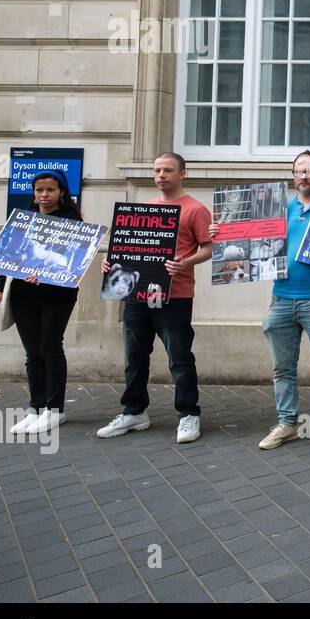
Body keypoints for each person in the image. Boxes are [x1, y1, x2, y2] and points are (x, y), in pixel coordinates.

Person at [210, 151, 310, 451]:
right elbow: (245, 240)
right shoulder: (277, 211)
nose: (304, 176)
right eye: (299, 171)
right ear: (293, 176)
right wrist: (221, 234)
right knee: (282, 368)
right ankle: (288, 423)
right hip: (281, 300)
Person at [96, 152, 212, 443]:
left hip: (176, 296)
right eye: (157, 170)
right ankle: (134, 411)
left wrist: (186, 262)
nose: (161, 175)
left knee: (179, 358)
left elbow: (208, 249)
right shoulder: (144, 209)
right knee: (134, 357)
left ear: (182, 174)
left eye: (168, 170)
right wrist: (111, 264)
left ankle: (189, 413)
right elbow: (129, 250)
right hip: (137, 296)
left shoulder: (195, 209)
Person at [0, 172, 82, 435]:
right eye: (39, 190)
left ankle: (55, 409)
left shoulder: (72, 221)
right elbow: (9, 257)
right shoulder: (23, 219)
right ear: (33, 192)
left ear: (62, 192)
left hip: (57, 296)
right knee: (32, 353)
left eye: (50, 189)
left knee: (50, 348)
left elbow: (72, 261)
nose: (44, 195)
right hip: (24, 296)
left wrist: (46, 274)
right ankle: (36, 406)